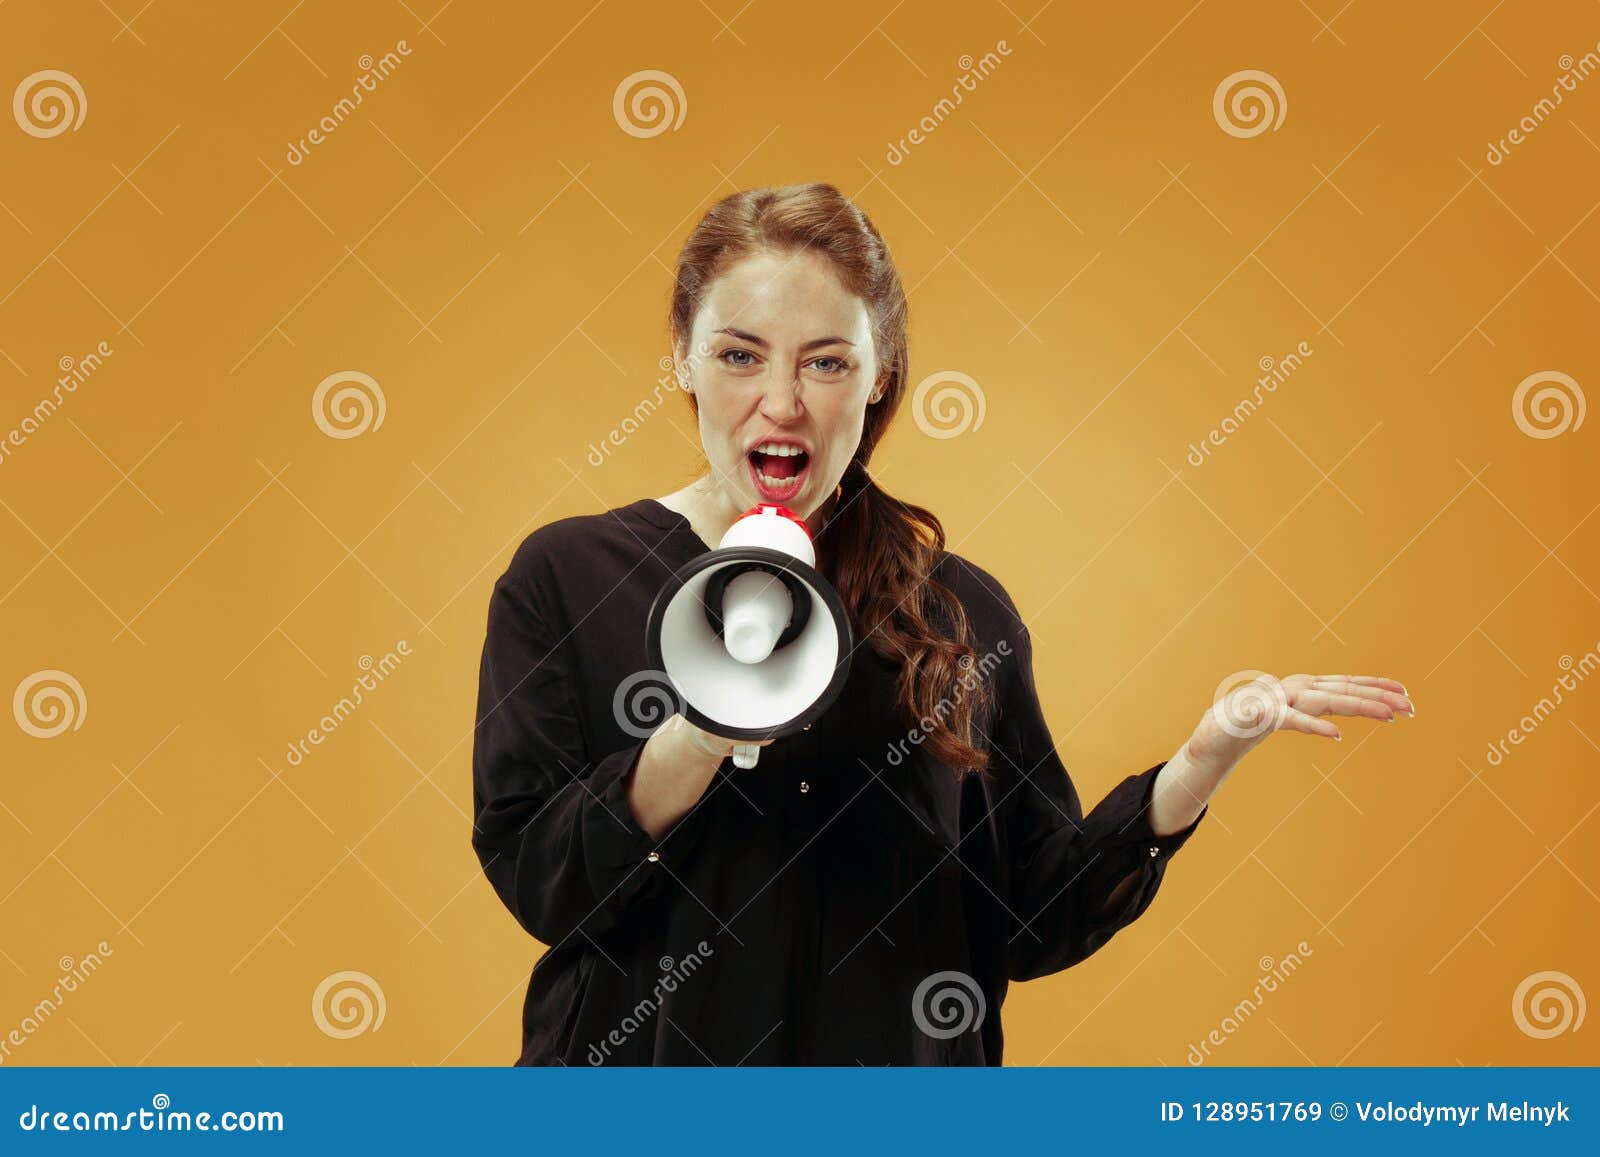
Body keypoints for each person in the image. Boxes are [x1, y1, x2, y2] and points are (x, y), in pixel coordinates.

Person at [469, 182, 1413, 1066]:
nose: (783, 400)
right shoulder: (567, 577)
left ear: (880, 374)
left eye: (827, 361)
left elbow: (1033, 918)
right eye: (739, 353)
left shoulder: (960, 612)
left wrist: (1200, 764)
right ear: (681, 353)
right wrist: (702, 728)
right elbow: (538, 879)